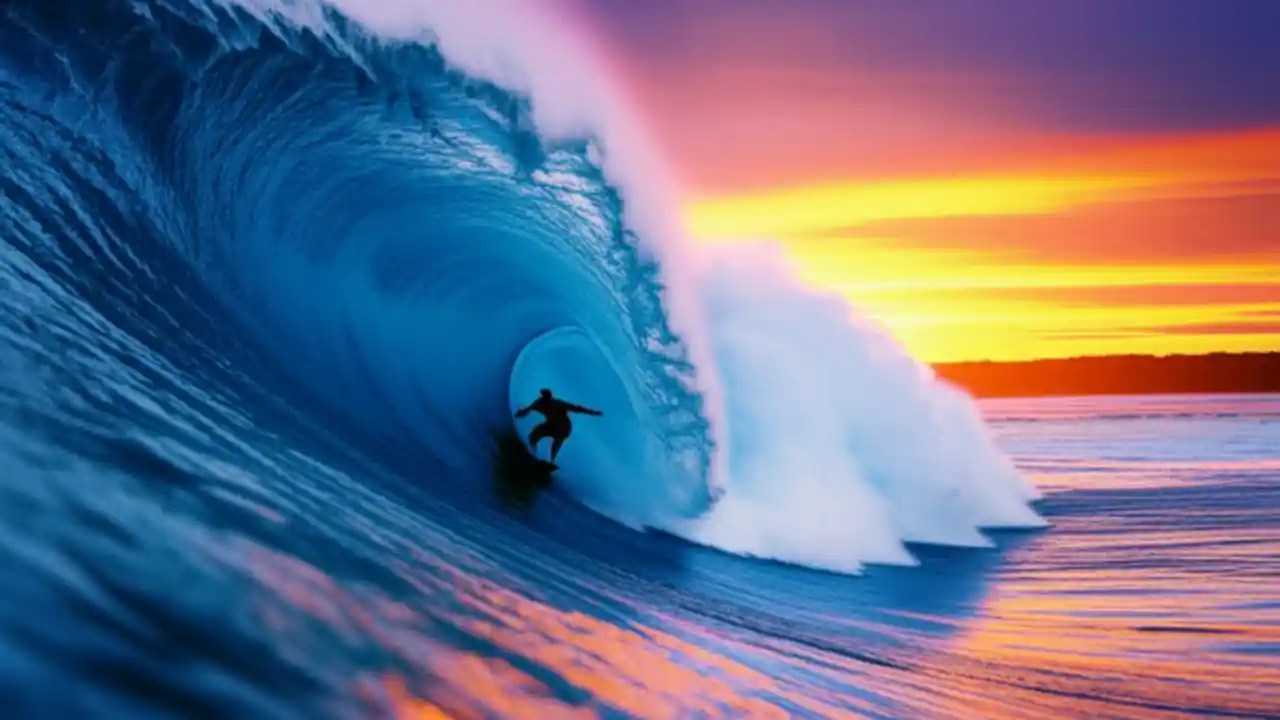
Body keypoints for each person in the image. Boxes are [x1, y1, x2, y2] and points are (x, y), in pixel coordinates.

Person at [514, 388, 602, 465]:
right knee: (533, 436)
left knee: (555, 447)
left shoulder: (557, 404)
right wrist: (517, 415)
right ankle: (532, 454)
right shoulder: (538, 403)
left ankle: (551, 464)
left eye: (548, 398)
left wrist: (594, 412)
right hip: (550, 425)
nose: (546, 400)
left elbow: (577, 409)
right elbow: (527, 410)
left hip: (563, 428)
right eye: (544, 397)